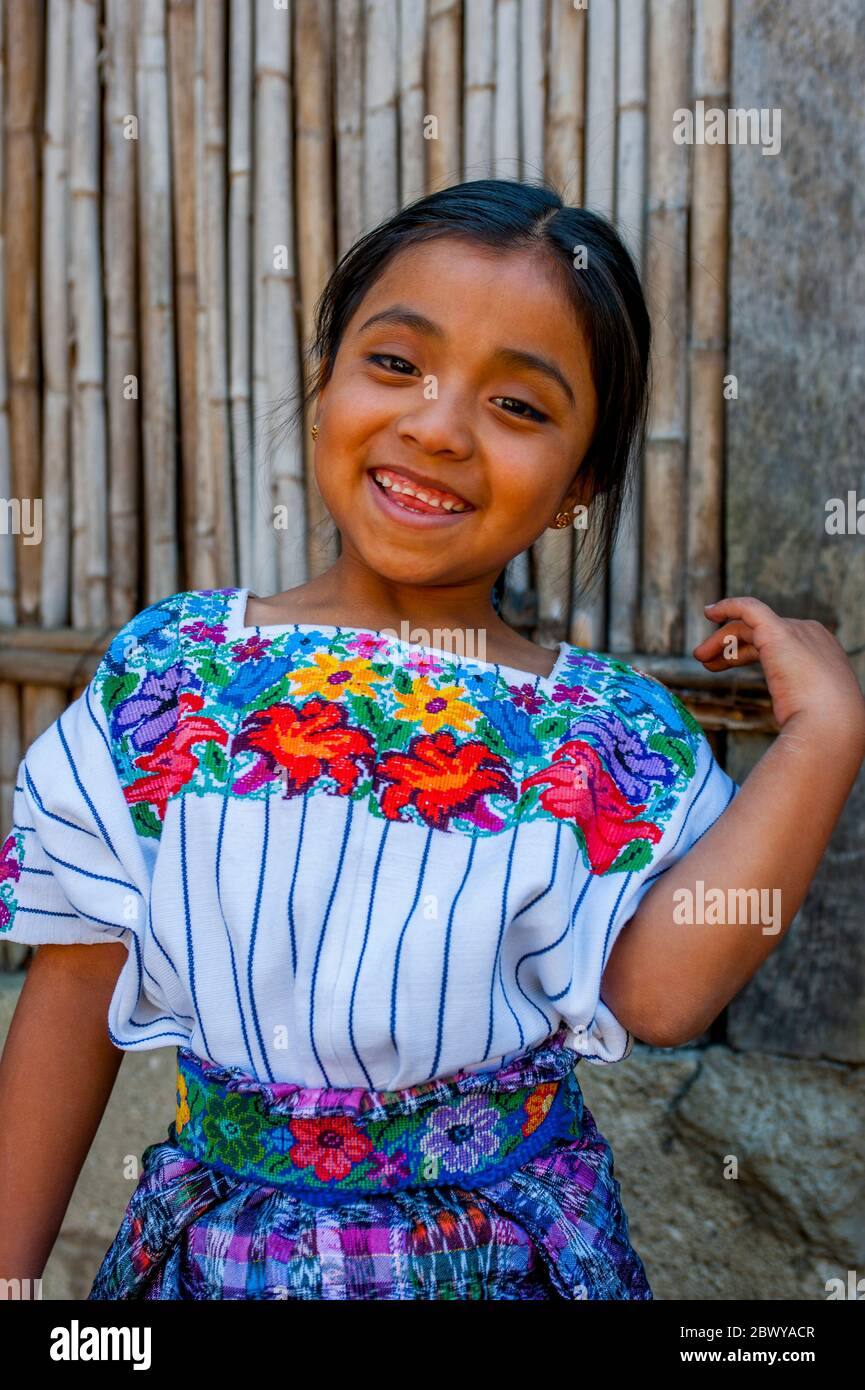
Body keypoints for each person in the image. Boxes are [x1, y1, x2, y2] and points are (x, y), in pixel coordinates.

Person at [1, 179, 863, 1301]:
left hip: (508, 1264)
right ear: (326, 383)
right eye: (396, 365)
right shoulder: (175, 679)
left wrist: (824, 739)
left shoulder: (603, 735)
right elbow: (71, 995)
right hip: (215, 1264)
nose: (438, 427)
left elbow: (659, 998)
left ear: (579, 482)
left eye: (518, 406)